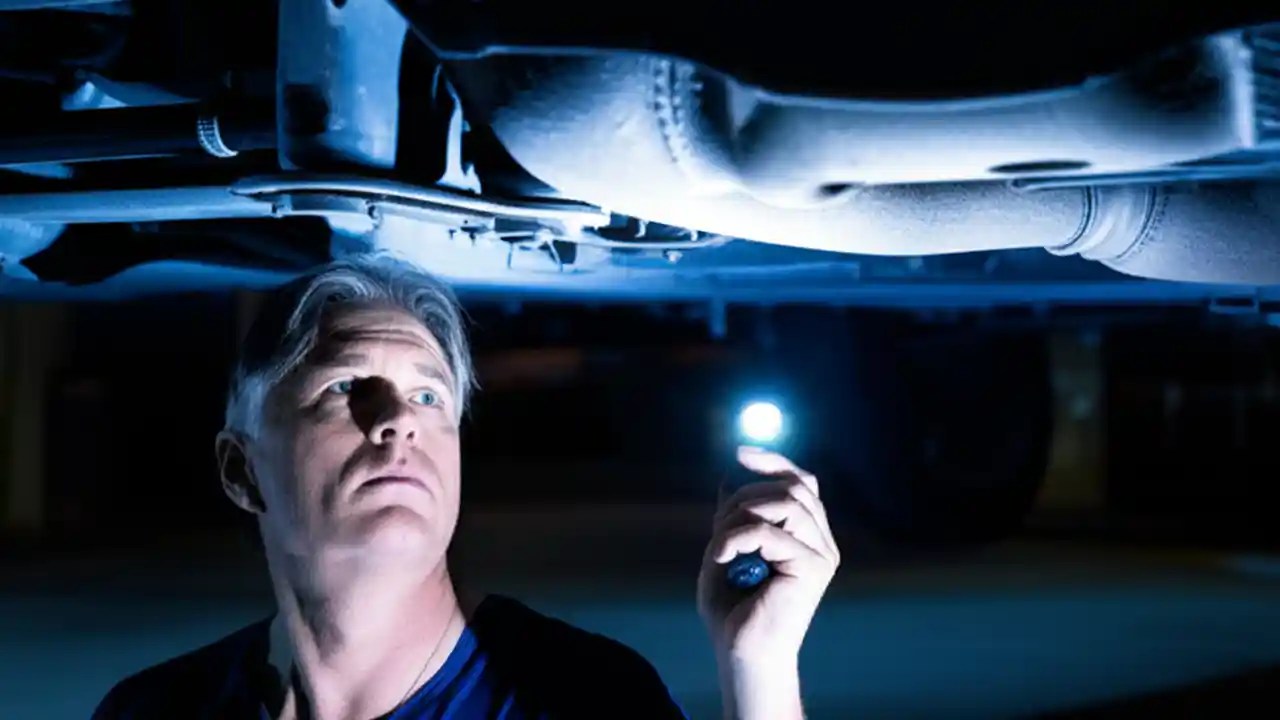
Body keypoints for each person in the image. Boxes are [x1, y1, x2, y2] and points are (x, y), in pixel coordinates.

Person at [91, 254, 841, 720]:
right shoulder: (152, 710)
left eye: (428, 397)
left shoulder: (581, 696)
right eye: (346, 387)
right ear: (240, 469)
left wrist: (760, 670)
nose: (396, 423)